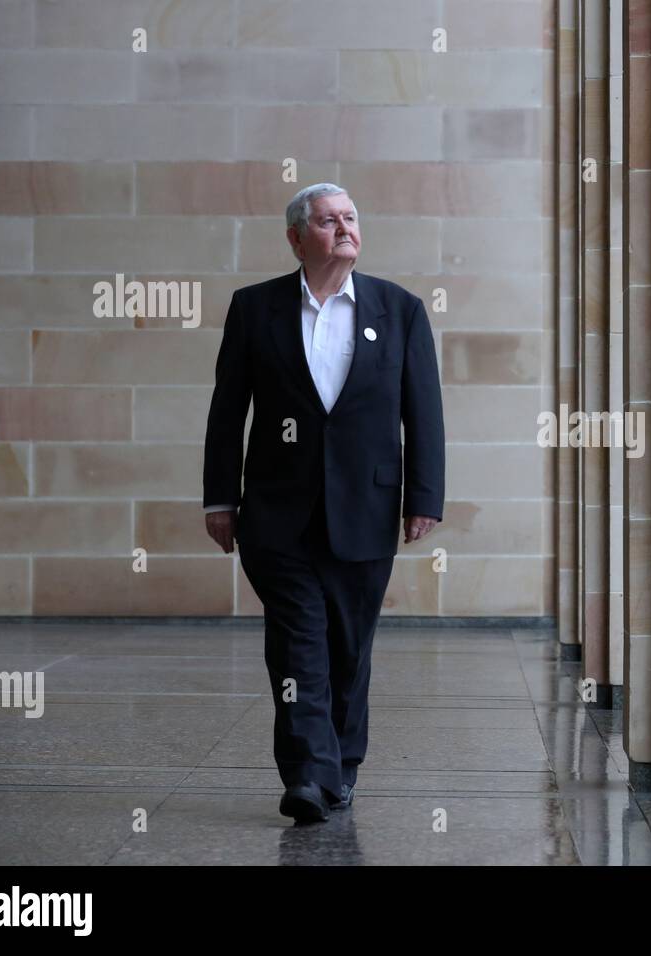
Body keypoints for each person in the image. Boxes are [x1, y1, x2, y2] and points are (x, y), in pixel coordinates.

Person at [202, 183, 445, 824]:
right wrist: (220, 499)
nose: (343, 227)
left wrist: (424, 497)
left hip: (365, 511)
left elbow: (424, 413)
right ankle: (309, 774)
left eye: (350, 217)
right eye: (327, 219)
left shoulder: (400, 309)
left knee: (348, 649)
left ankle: (342, 767)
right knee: (296, 645)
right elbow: (229, 410)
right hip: (277, 515)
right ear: (296, 237)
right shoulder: (255, 309)